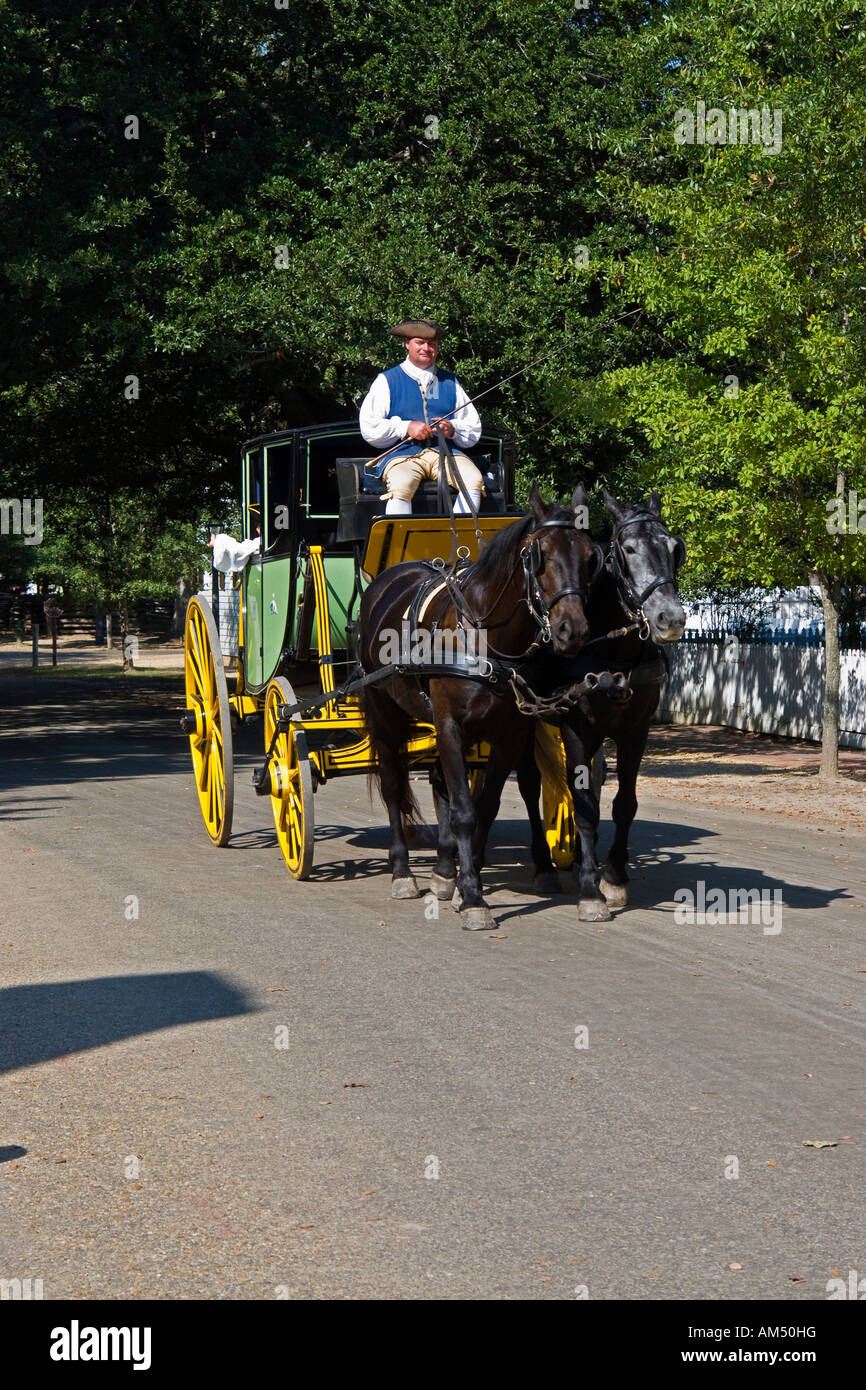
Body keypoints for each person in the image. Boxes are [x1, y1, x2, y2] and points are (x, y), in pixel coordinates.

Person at [359, 318, 484, 516]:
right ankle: (401, 546)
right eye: (420, 342)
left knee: (473, 479)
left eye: (432, 344)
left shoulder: (450, 381)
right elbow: (369, 426)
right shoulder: (387, 380)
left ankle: (462, 543)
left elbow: (472, 426)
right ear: (408, 344)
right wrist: (406, 427)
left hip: (444, 454)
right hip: (403, 455)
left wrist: (451, 428)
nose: (426, 348)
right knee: (401, 485)